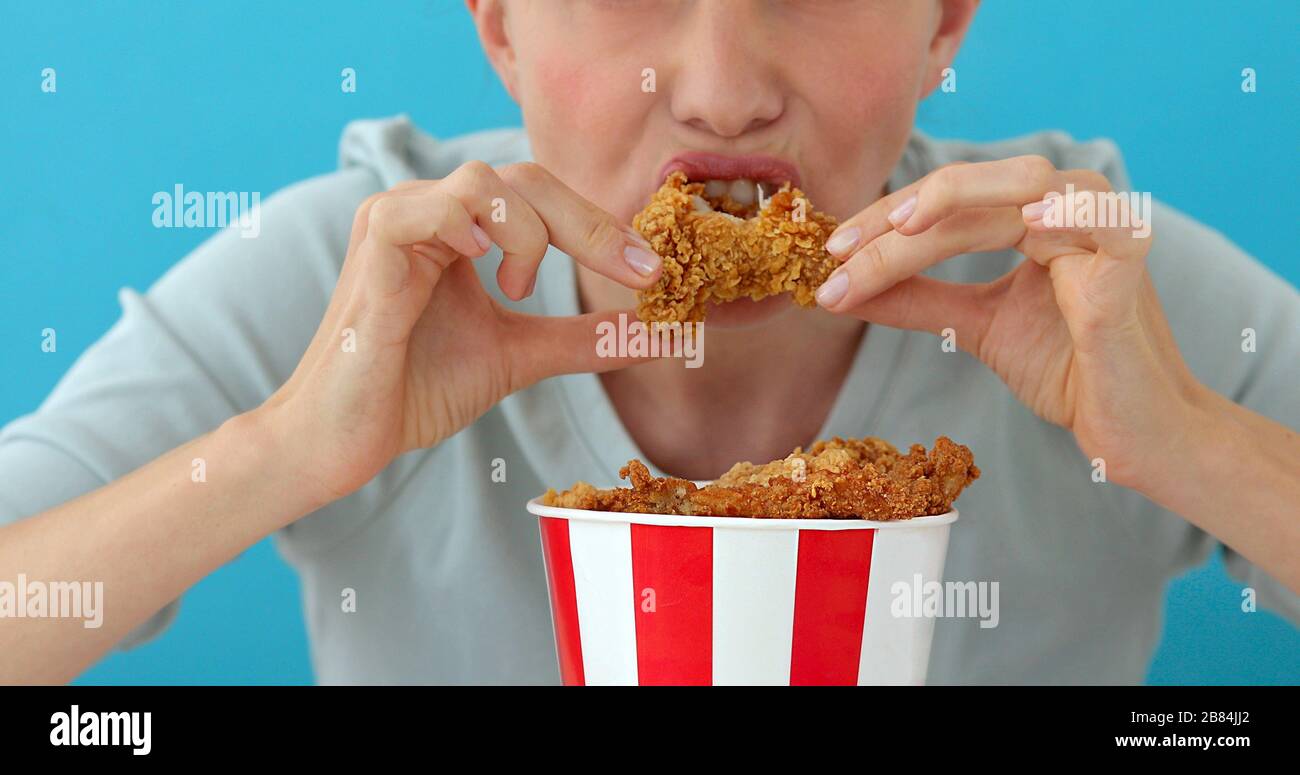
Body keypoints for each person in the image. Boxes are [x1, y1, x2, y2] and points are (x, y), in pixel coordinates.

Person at [2, 0, 1296, 684]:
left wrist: (1188, 443)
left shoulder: (1090, 283)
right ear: (499, 21)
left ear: (944, 23)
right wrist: (281, 453)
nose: (723, 83)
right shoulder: (366, 280)